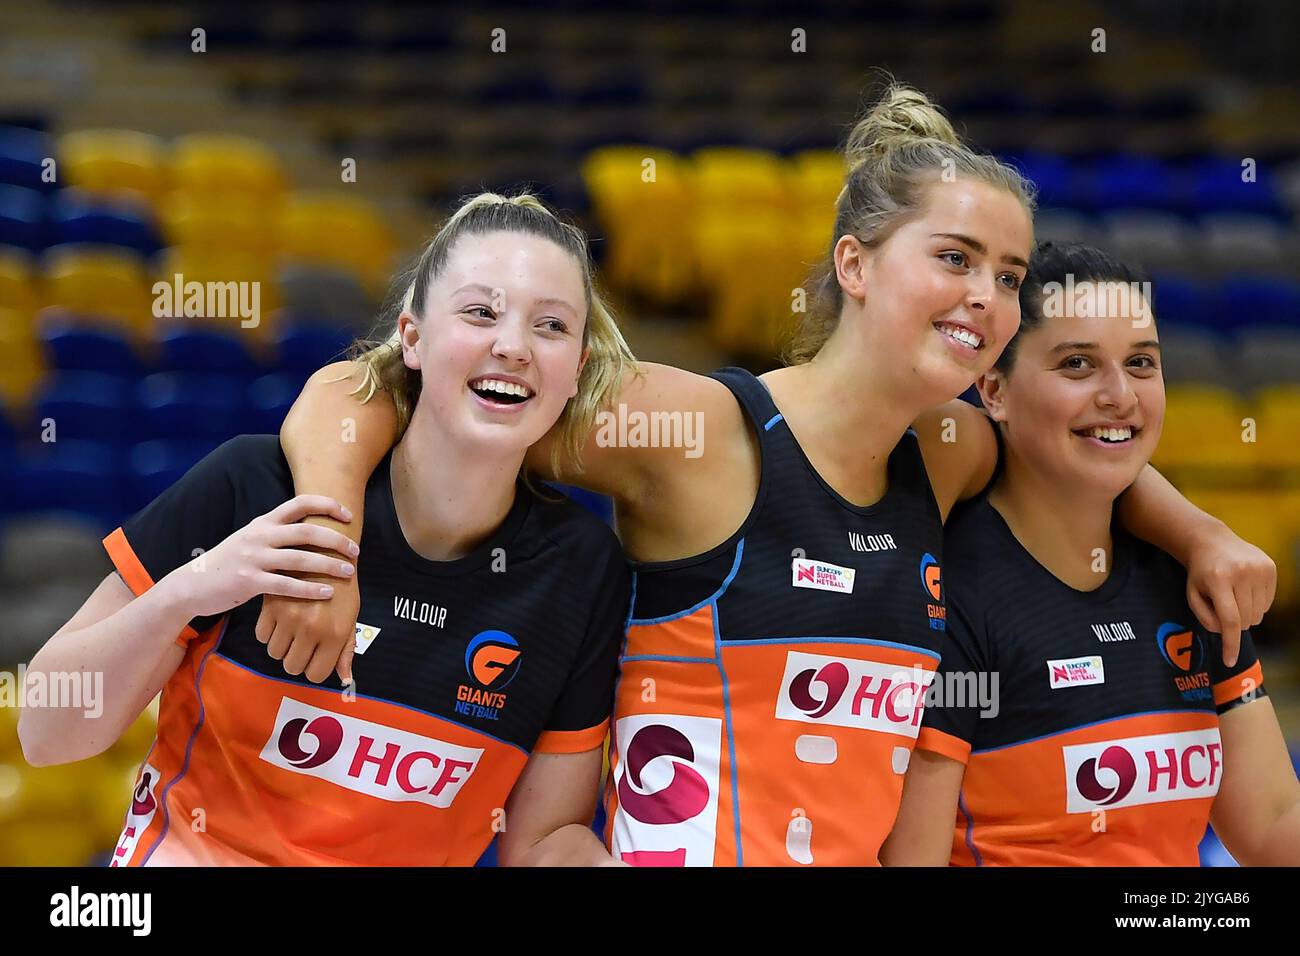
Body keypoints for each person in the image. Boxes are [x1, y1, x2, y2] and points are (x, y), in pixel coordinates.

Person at [259, 86, 1276, 865]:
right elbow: (372, 383)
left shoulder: (950, 450)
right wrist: (328, 540)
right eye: (956, 258)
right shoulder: (695, 429)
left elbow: (1086, 444)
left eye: (1009, 277)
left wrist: (1201, 535)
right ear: (855, 263)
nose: (987, 298)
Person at [18, 193, 636, 867]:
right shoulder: (255, 483)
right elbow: (46, 734)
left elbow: (543, 842)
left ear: (575, 369)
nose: (512, 346)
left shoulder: (582, 570)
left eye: (550, 326)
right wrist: (186, 592)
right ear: (414, 337)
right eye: (481, 312)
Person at [881, 242, 1298, 866]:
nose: (1119, 396)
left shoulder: (1190, 577)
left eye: (1141, 364)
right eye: (1078, 364)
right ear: (993, 389)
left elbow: (1271, 825)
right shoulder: (949, 595)